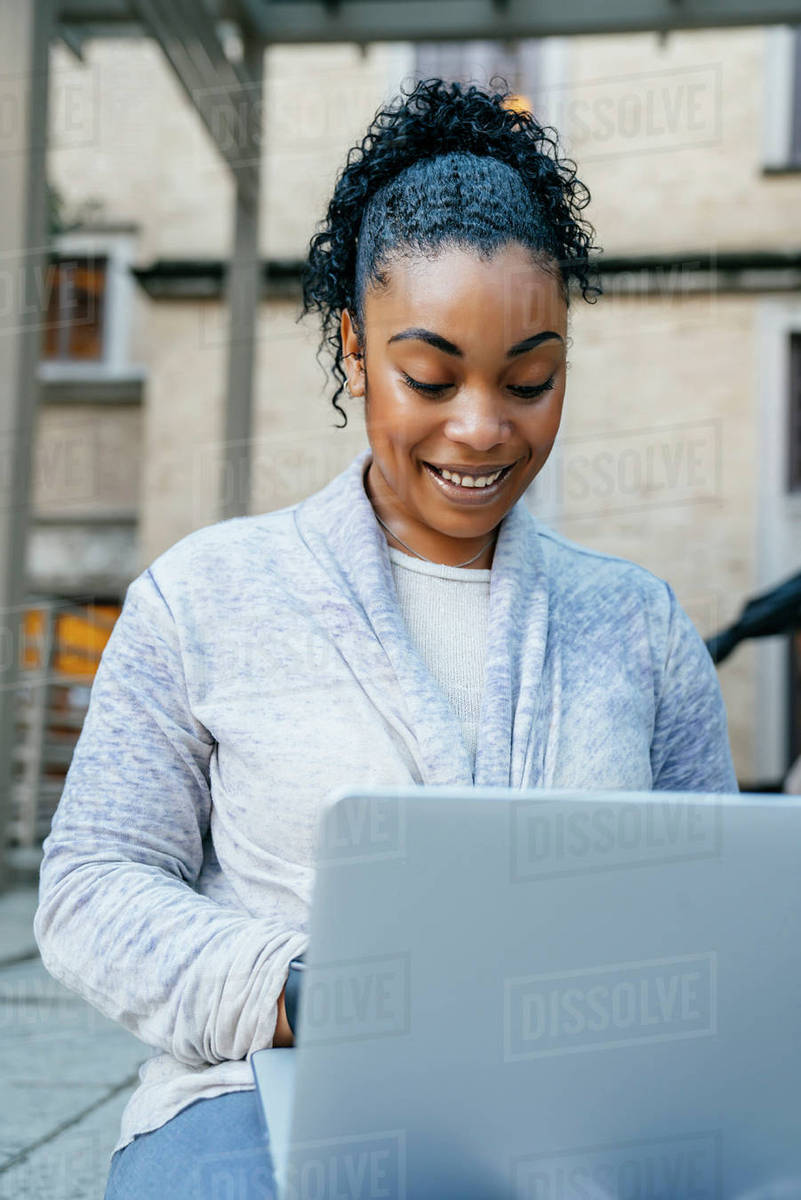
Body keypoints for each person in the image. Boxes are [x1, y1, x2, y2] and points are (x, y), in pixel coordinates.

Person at [33, 78, 738, 1200]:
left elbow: (720, 918)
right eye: (429, 375)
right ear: (354, 347)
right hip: (257, 1097)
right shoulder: (207, 595)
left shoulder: (638, 628)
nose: (481, 427)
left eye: (532, 380)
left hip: (576, 1120)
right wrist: (300, 991)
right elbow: (89, 882)